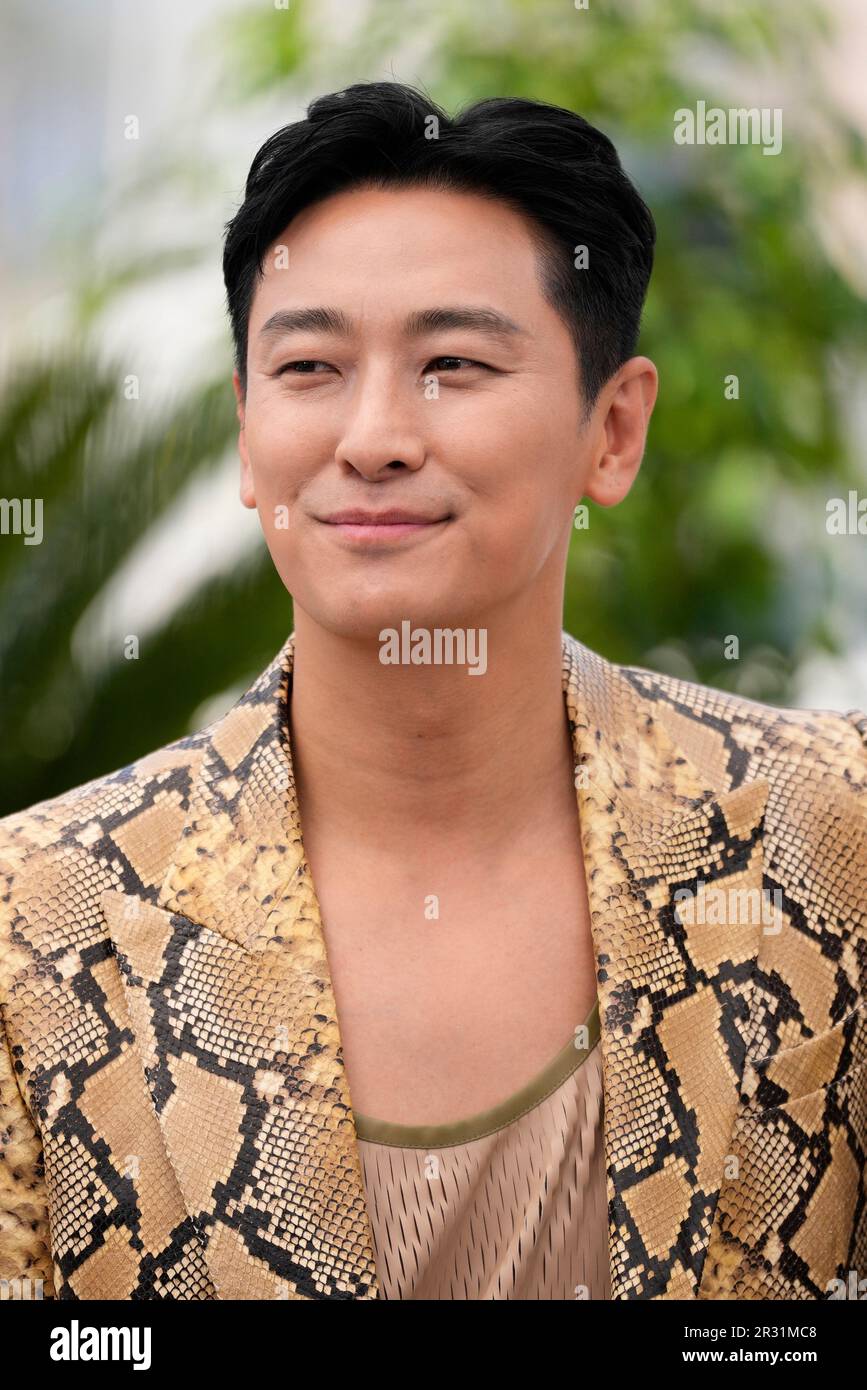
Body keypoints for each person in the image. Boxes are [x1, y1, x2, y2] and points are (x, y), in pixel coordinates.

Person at [1, 80, 865, 1303]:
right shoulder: (37, 918)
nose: (373, 436)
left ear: (611, 432)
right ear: (248, 432)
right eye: (309, 365)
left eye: (453, 362)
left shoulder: (832, 832)